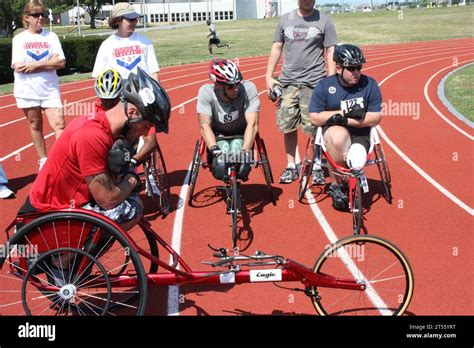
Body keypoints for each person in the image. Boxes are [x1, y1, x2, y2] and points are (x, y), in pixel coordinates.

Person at [18, 67, 171, 233]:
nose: (145, 133)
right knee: (133, 209)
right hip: (46, 215)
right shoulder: (92, 135)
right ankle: (66, 260)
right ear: (132, 112)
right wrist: (133, 178)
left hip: (60, 207)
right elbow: (108, 200)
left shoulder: (103, 126)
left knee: (129, 202)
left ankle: (76, 256)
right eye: (146, 126)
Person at [265, 0, 337, 184]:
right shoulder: (284, 20)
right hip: (288, 82)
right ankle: (291, 166)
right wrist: (268, 75)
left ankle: (318, 166)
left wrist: (331, 79)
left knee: (316, 128)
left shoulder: (325, 21)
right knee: (288, 126)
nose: (307, 1)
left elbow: (330, 51)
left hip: (314, 83)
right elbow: (277, 47)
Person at [309, 44, 383, 211]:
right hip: (334, 133)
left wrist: (344, 120)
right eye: (351, 68)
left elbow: (375, 117)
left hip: (361, 133)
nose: (357, 72)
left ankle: (352, 180)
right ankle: (336, 186)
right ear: (339, 67)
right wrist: (342, 114)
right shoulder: (324, 86)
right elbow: (314, 117)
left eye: (359, 67)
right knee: (337, 137)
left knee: (356, 158)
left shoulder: (370, 84)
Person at [92, 2, 160, 168]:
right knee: (120, 139)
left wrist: (155, 97)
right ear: (117, 20)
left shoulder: (144, 42)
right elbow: (99, 78)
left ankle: (150, 173)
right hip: (119, 102)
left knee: (148, 138)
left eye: (135, 19)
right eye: (129, 19)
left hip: (142, 98)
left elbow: (154, 72)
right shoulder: (107, 45)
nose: (133, 22)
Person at [11, 0, 66, 171]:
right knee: (35, 124)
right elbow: (19, 67)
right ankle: (43, 160)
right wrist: (49, 63)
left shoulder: (52, 37)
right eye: (36, 15)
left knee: (60, 124)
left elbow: (61, 62)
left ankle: (64, 160)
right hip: (27, 90)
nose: (40, 17)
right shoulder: (19, 39)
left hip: (50, 89)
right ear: (26, 18)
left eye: (43, 14)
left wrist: (35, 66)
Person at [197, 59, 259, 183]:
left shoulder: (249, 89)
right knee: (221, 162)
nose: (236, 89)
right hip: (219, 136)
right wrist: (214, 149)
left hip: (241, 133)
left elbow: (253, 124)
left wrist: (246, 151)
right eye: (230, 86)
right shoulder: (206, 92)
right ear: (219, 85)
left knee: (240, 160)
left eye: (238, 83)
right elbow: (204, 125)